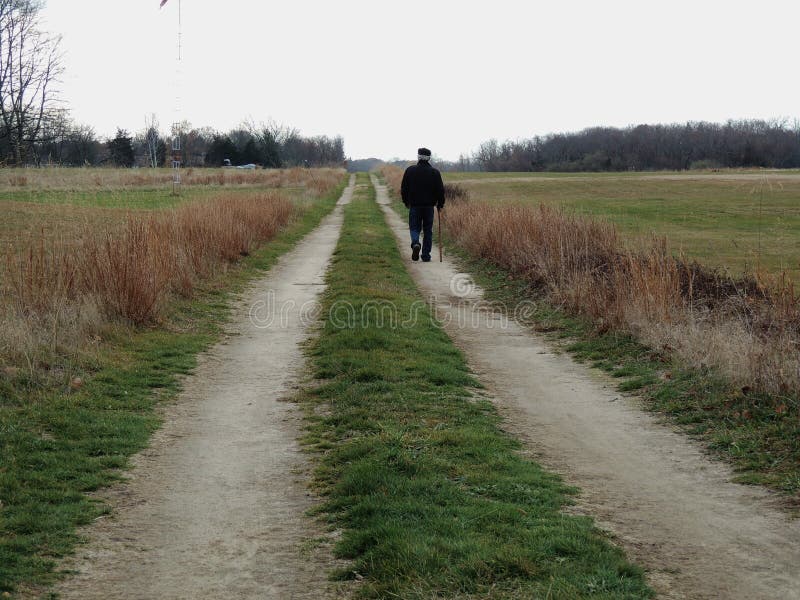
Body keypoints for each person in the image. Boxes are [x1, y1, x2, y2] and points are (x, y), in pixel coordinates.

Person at [400, 147, 445, 262]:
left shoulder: (410, 170)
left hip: (414, 205)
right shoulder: (435, 172)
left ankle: (415, 243)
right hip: (429, 207)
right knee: (428, 230)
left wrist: (406, 201)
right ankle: (426, 255)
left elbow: (404, 188)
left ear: (418, 157)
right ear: (429, 158)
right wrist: (440, 204)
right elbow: (440, 190)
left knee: (414, 227)